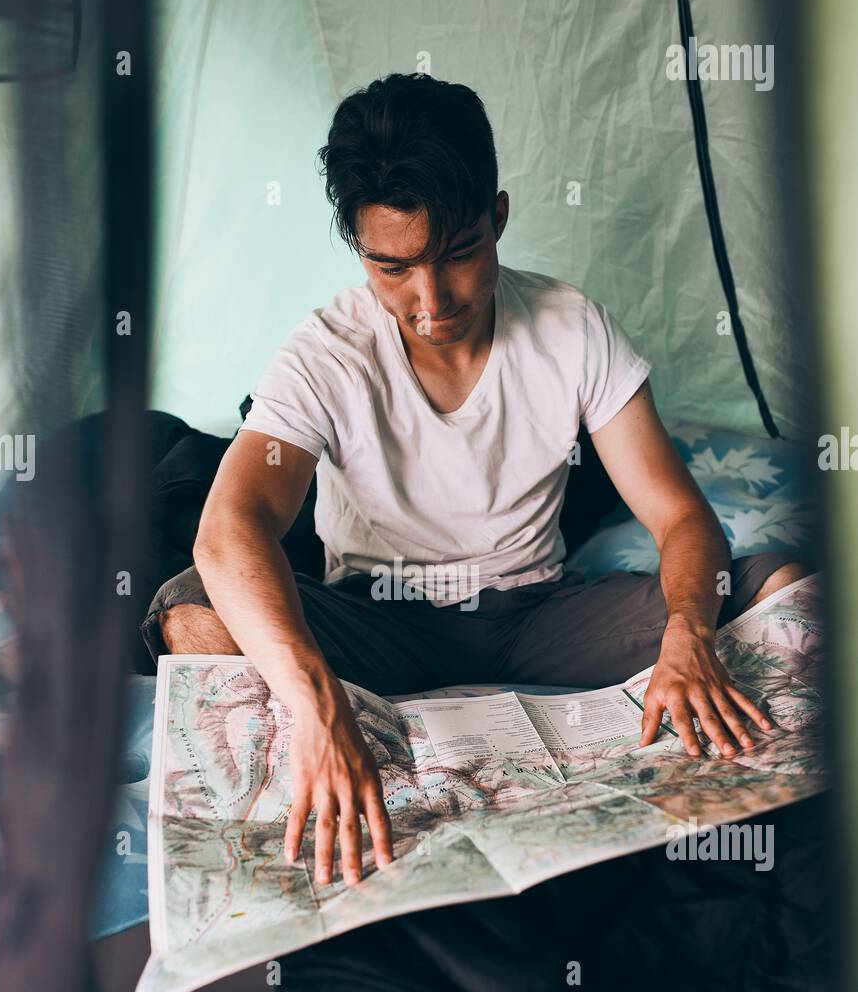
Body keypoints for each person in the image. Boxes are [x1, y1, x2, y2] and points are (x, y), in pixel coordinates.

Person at [140, 72, 807, 890]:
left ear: (497, 219)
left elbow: (680, 518)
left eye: (458, 254)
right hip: (377, 623)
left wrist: (687, 637)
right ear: (358, 248)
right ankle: (327, 775)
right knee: (194, 609)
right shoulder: (325, 353)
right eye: (393, 268)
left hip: (537, 614)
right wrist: (316, 706)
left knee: (787, 587)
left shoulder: (572, 327)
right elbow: (228, 527)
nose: (429, 300)